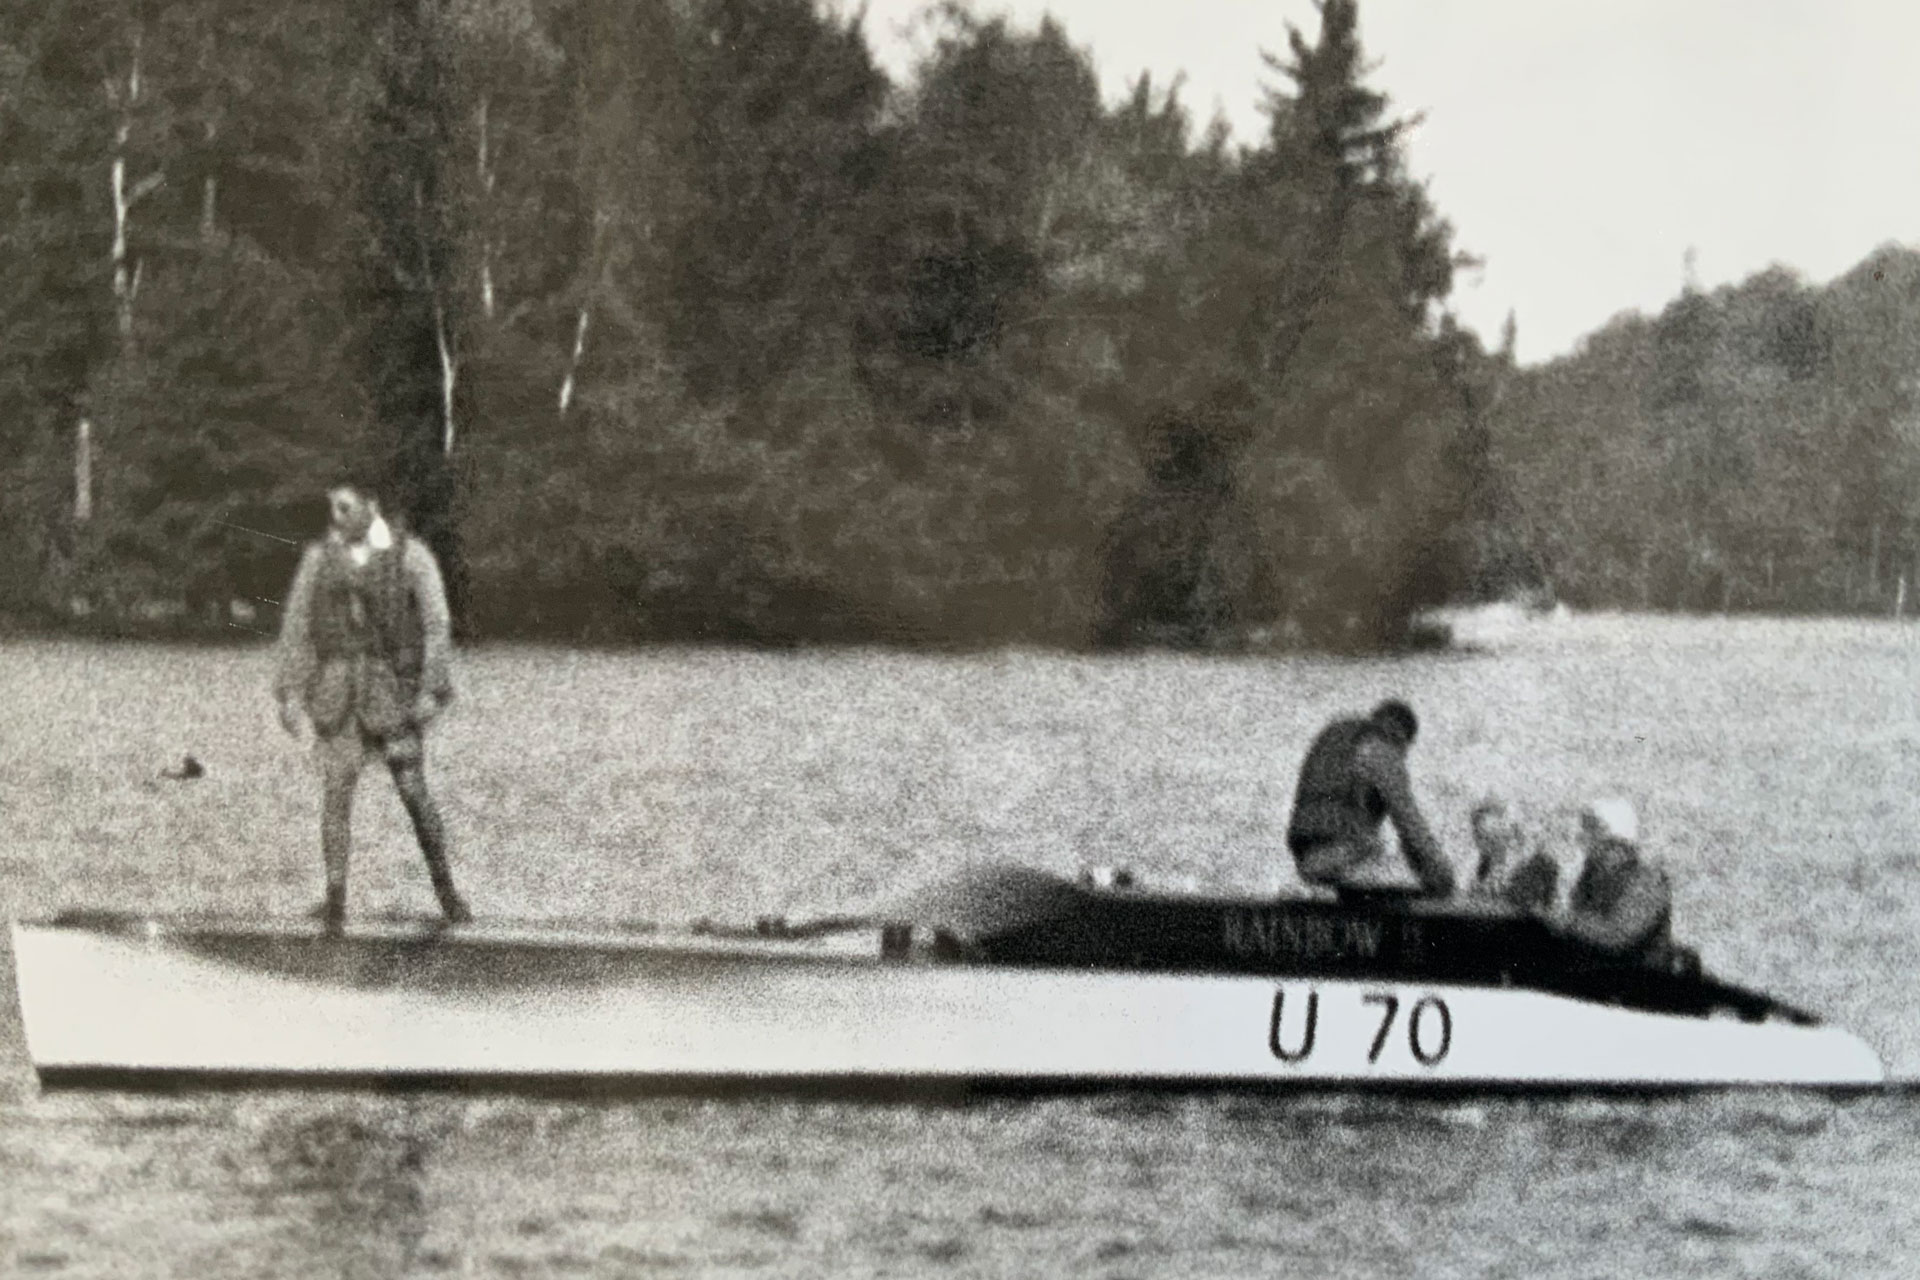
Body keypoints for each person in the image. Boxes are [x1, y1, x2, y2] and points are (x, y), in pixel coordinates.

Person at [274, 474, 471, 931]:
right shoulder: (319, 559)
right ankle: (335, 899)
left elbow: (437, 625)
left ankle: (447, 892)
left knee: (414, 793)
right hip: (336, 693)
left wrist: (431, 690)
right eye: (333, 508)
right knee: (336, 791)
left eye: (345, 508)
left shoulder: (410, 555)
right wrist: (289, 692)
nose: (336, 518)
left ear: (371, 505)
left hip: (391, 694)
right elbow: (297, 625)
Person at [1286, 699, 1456, 897]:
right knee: (1385, 854)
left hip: (1305, 859)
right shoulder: (1381, 750)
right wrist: (1443, 876)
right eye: (1406, 749)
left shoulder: (1338, 739)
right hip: (1344, 855)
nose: (1404, 756)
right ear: (1402, 736)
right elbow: (1410, 824)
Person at [1557, 797, 1681, 966]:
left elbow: (1616, 936)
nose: (1581, 837)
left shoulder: (1649, 882)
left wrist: (1565, 920)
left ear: (1614, 842)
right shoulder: (1589, 878)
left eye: (1591, 829)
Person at [1468, 796, 1560, 915]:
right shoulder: (1483, 869)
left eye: (1490, 838)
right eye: (1479, 836)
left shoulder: (1537, 866)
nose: (1480, 843)